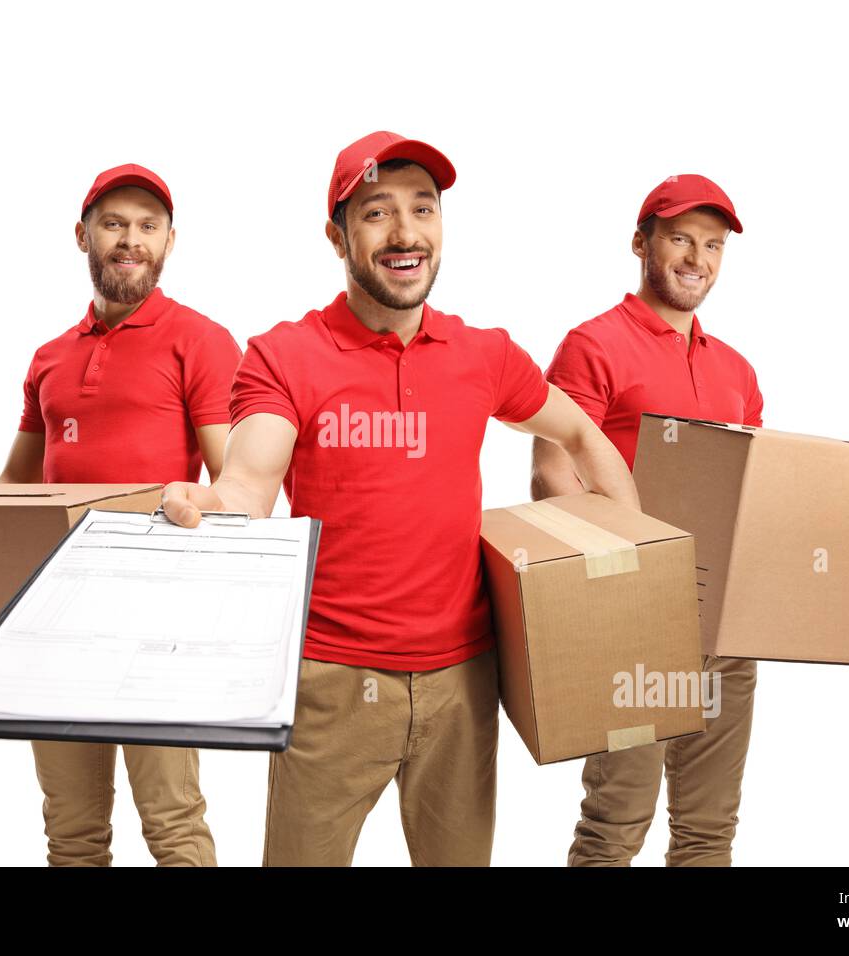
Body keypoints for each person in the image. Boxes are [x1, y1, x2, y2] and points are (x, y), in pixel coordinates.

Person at [161, 132, 639, 866]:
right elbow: (250, 485)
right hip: (330, 683)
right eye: (378, 212)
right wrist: (211, 509)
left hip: (464, 685)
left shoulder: (484, 354)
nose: (407, 233)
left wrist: (636, 550)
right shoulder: (284, 355)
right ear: (338, 235)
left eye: (424, 208)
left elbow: (577, 429)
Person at [0, 163, 241, 866]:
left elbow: (234, 484)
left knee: (172, 823)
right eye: (113, 224)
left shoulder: (200, 340)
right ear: (83, 236)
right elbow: (17, 480)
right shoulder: (49, 358)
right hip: (53, 617)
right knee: (71, 831)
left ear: (168, 242)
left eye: (147, 226)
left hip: (156, 620)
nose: (130, 240)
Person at [534, 173, 764, 866]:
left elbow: (755, 492)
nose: (697, 259)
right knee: (614, 826)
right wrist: (615, 579)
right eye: (680, 240)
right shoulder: (594, 345)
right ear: (642, 243)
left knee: (708, 831)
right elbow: (551, 476)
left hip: (724, 624)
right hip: (632, 615)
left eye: (713, 246)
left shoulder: (737, 370)